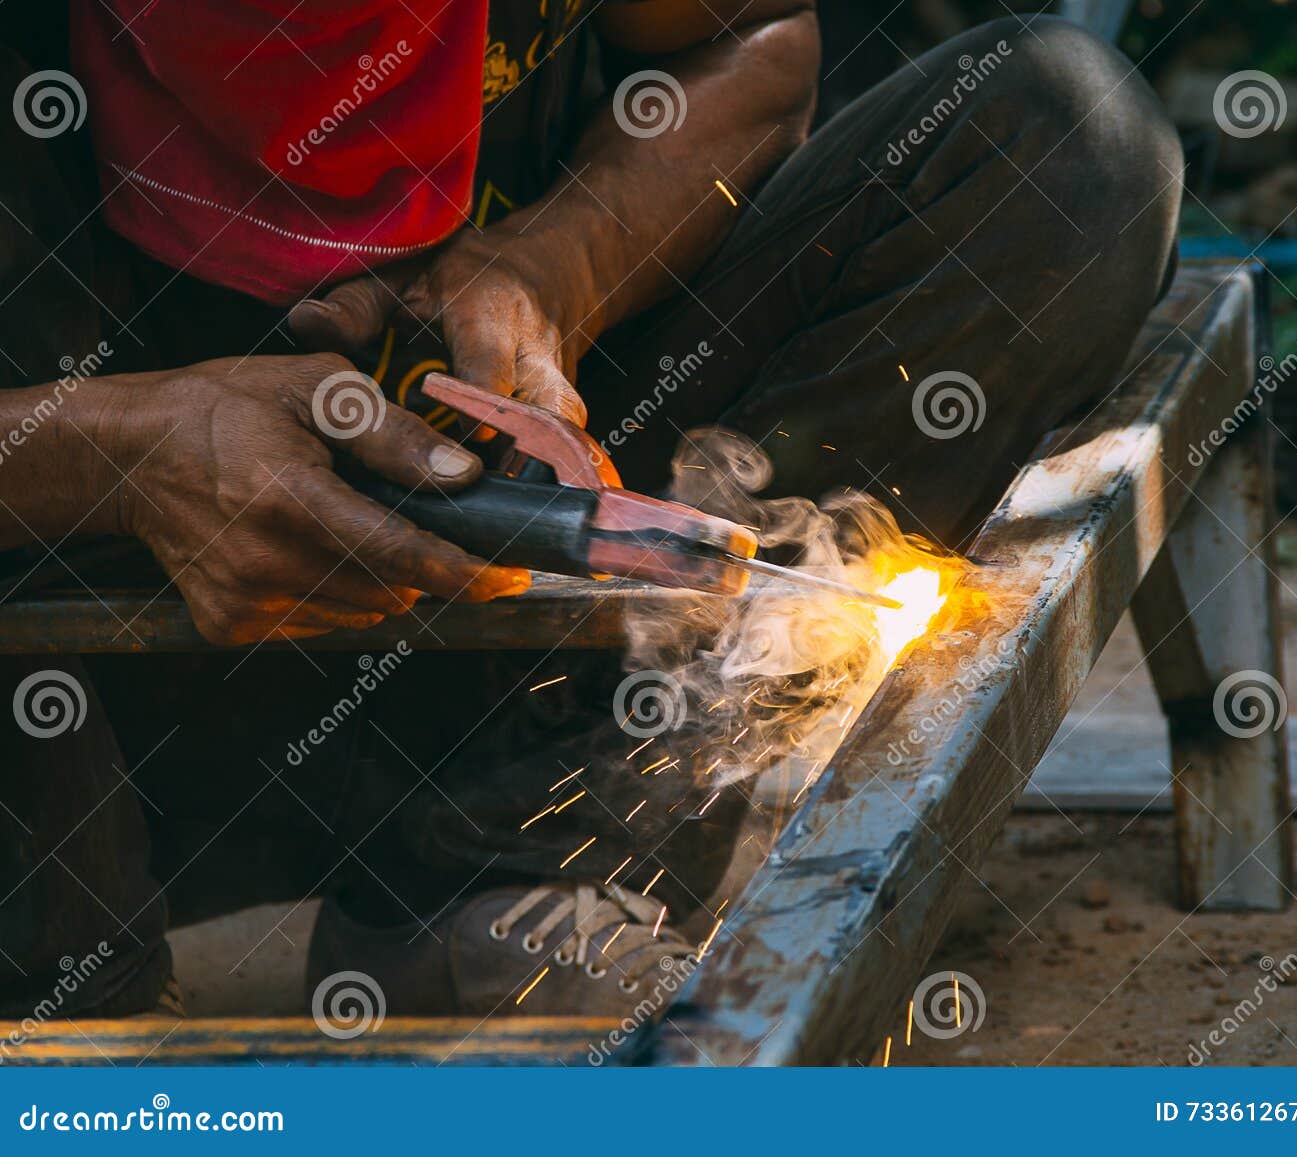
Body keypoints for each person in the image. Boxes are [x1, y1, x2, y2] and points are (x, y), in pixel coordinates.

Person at [0, 0, 1180, 1023]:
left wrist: (551, 269)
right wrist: (119, 450)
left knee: (1061, 135)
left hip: (535, 633)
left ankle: (504, 876)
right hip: (96, 708)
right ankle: (67, 983)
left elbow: (749, 39)